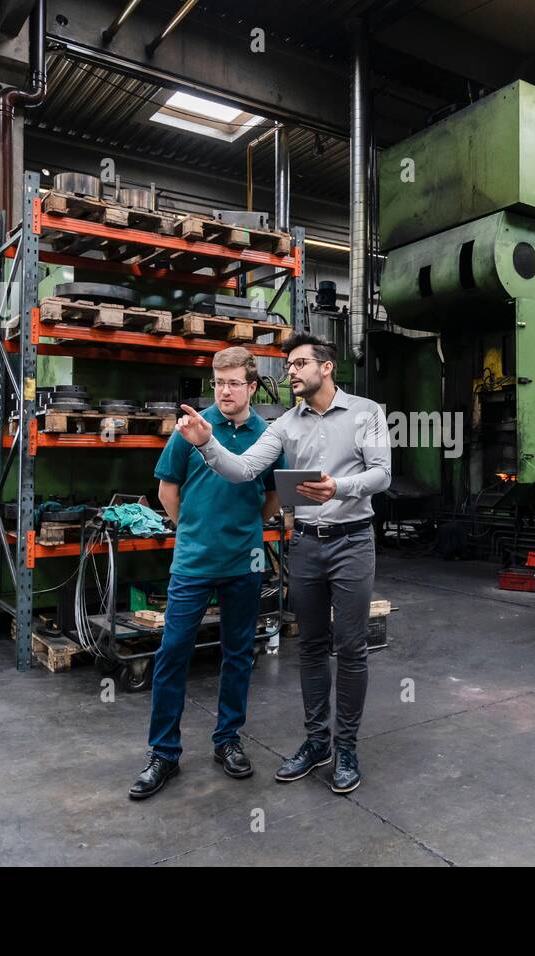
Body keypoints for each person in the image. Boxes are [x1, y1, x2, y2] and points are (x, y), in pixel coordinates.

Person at [175, 333, 390, 794]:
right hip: (307, 545)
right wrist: (207, 444)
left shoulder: (367, 412)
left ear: (326, 367)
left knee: (350, 650)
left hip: (353, 542)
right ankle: (318, 743)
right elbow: (243, 470)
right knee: (311, 647)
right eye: (288, 365)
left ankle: (346, 747)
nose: (289, 372)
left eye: (297, 364)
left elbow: (382, 473)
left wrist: (341, 488)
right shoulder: (284, 426)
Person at [129, 347, 278, 800]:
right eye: (218, 382)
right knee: (173, 653)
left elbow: (271, 498)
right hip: (193, 562)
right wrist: (192, 531)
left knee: (238, 653)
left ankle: (227, 741)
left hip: (245, 562)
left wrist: (244, 528)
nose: (225, 391)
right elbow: (166, 490)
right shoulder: (191, 429)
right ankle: (164, 753)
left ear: (252, 387)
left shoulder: (266, 435)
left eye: (234, 382)